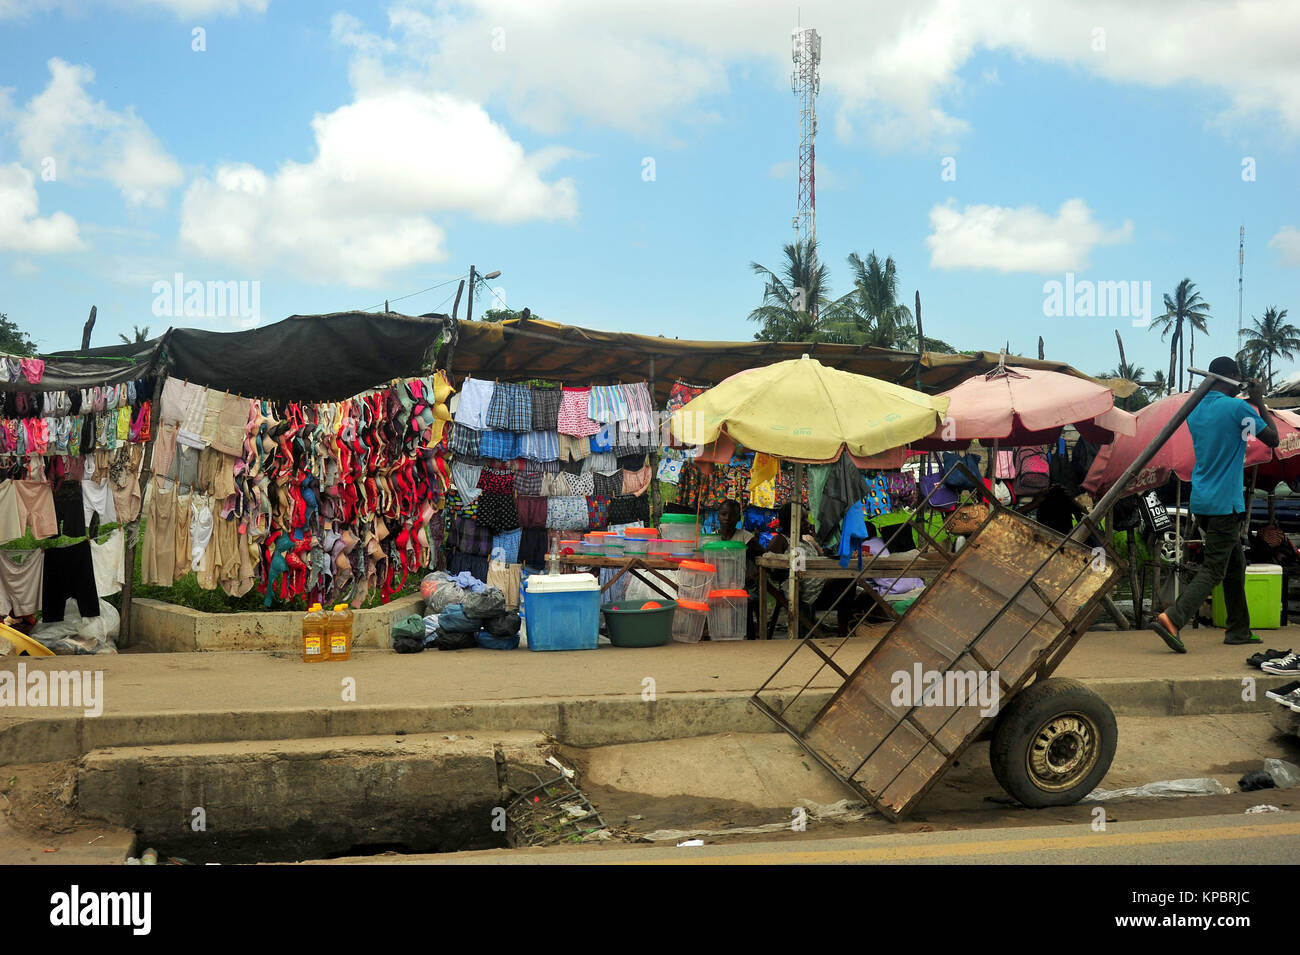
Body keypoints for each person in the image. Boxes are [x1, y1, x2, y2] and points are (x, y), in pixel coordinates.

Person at [1151, 356, 1278, 652]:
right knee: (1214, 569)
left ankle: (1238, 629)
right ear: (1232, 377)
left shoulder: (1196, 410)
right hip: (1224, 503)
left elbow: (1241, 435)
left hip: (1203, 500)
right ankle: (1173, 618)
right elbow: (1270, 439)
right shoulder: (1238, 408)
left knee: (1235, 564)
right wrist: (1259, 401)